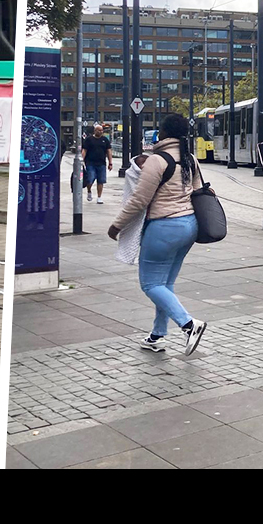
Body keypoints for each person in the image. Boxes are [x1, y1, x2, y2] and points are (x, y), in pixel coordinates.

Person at [107, 113, 208, 357]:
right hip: (189, 226)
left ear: (165, 133)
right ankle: (156, 336)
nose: (157, 134)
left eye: (160, 129)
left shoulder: (157, 161)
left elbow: (140, 200)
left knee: (150, 284)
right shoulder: (190, 159)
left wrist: (117, 225)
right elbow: (198, 191)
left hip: (164, 228)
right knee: (165, 284)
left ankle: (188, 324)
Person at [81, 123, 113, 203]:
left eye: (102, 130)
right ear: (95, 131)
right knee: (90, 179)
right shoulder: (89, 139)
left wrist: (110, 162)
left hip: (101, 163)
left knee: (101, 180)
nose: (100, 132)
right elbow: (84, 150)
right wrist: (82, 160)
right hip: (90, 162)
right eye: (99, 130)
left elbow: (108, 151)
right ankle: (89, 191)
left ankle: (99, 197)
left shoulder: (105, 140)